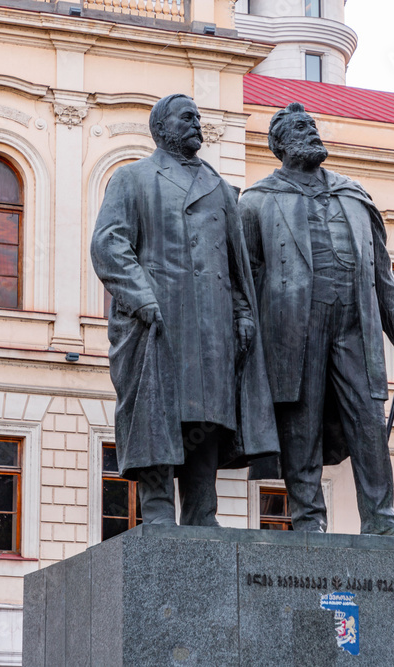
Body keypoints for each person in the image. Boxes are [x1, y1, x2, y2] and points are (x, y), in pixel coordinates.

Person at [239, 102, 394, 536]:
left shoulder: (355, 196)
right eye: (299, 128)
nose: (311, 133)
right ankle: (309, 519)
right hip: (292, 329)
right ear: (279, 145)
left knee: (368, 419)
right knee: (301, 422)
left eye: (312, 126)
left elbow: (381, 275)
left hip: (354, 324)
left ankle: (381, 518)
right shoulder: (256, 202)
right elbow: (244, 281)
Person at [91, 94, 277, 528]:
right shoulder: (133, 179)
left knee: (206, 416)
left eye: (199, 116)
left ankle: (202, 513)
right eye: (187, 117)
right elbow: (109, 244)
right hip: (157, 317)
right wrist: (141, 296)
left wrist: (244, 314)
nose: (197, 123)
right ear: (162, 128)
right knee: (158, 412)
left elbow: (237, 266)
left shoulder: (218, 186)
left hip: (213, 322)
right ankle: (157, 512)